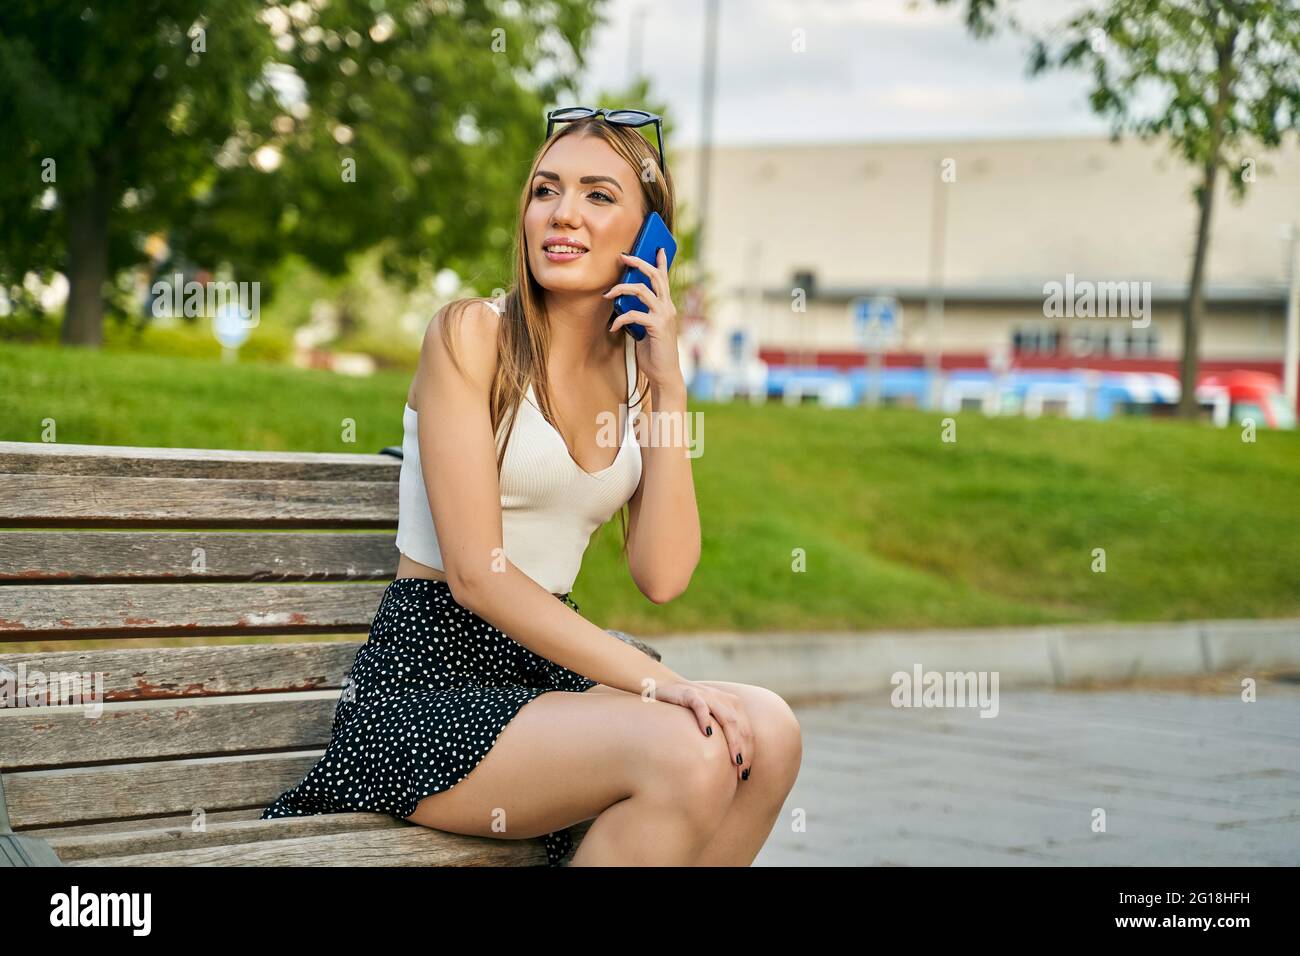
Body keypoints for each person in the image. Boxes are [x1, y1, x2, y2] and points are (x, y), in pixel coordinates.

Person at [260, 108, 803, 866]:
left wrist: (670, 388)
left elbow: (665, 573)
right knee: (687, 750)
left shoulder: (638, 379)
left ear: (652, 238)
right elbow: (478, 578)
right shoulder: (471, 335)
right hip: (427, 688)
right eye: (546, 190)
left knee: (770, 732)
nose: (563, 213)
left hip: (546, 683)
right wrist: (659, 684)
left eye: (598, 195)